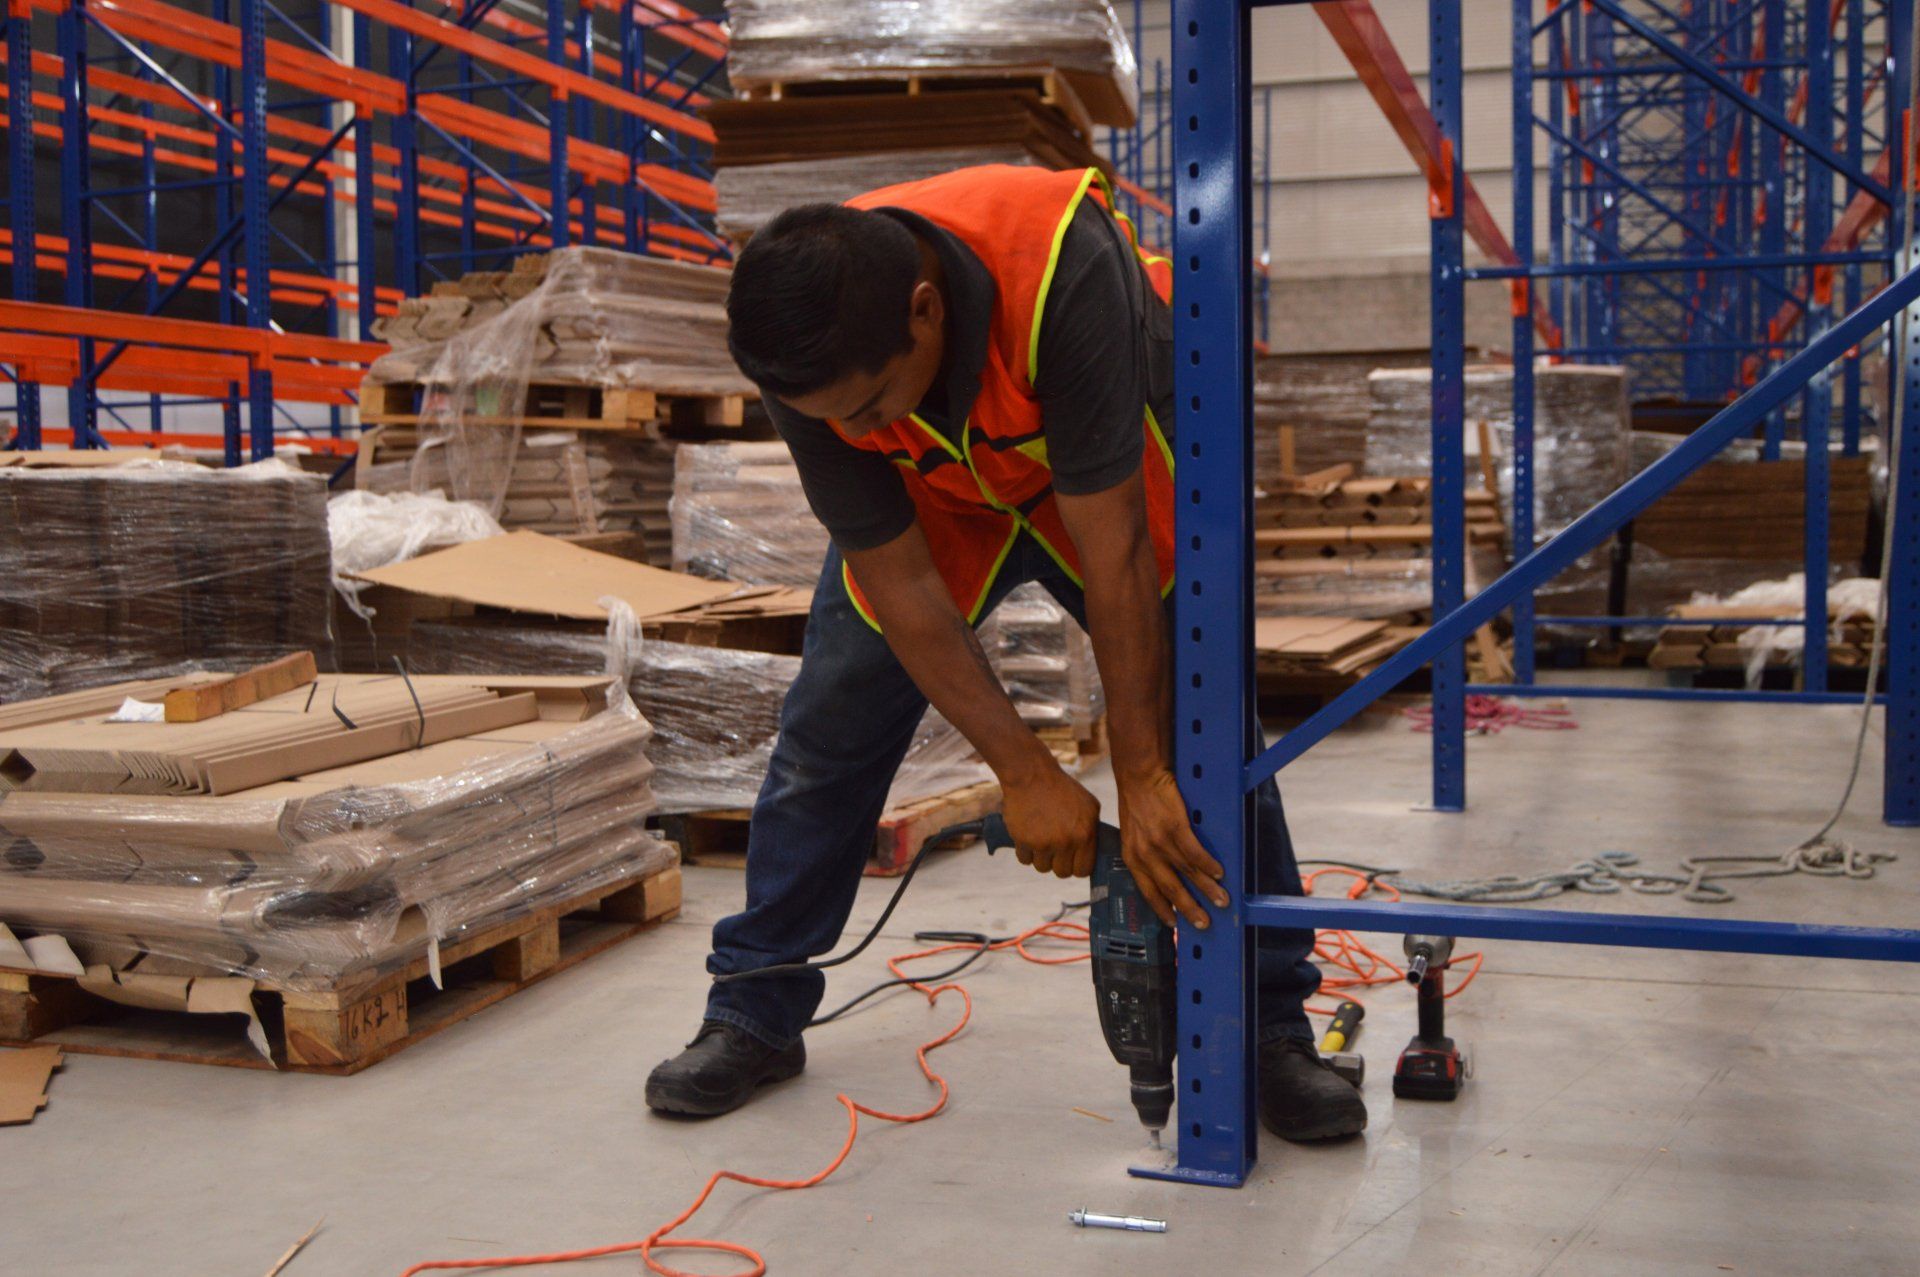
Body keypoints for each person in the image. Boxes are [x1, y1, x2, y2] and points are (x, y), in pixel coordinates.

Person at [644, 165, 1365, 1142]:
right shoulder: (807, 353)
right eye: (836, 421)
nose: (854, 432)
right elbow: (899, 587)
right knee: (828, 723)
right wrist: (1023, 772)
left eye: (868, 406)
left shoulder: (1061, 270)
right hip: (946, 499)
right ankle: (755, 1008)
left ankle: (1272, 1022)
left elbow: (1112, 552)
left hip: (1105, 472)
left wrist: (1143, 771)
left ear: (926, 310)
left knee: (1209, 728)